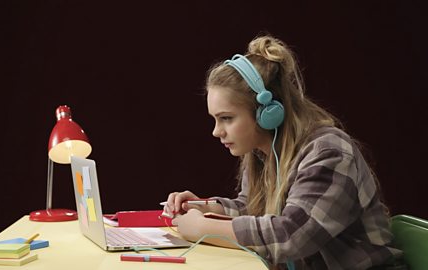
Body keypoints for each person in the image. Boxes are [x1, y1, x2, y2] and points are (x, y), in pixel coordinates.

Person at [163, 34, 402, 269]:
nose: (217, 132)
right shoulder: (263, 152)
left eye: (226, 118)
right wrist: (208, 208)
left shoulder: (329, 153)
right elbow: (253, 210)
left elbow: (291, 235)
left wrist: (204, 229)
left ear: (266, 113)